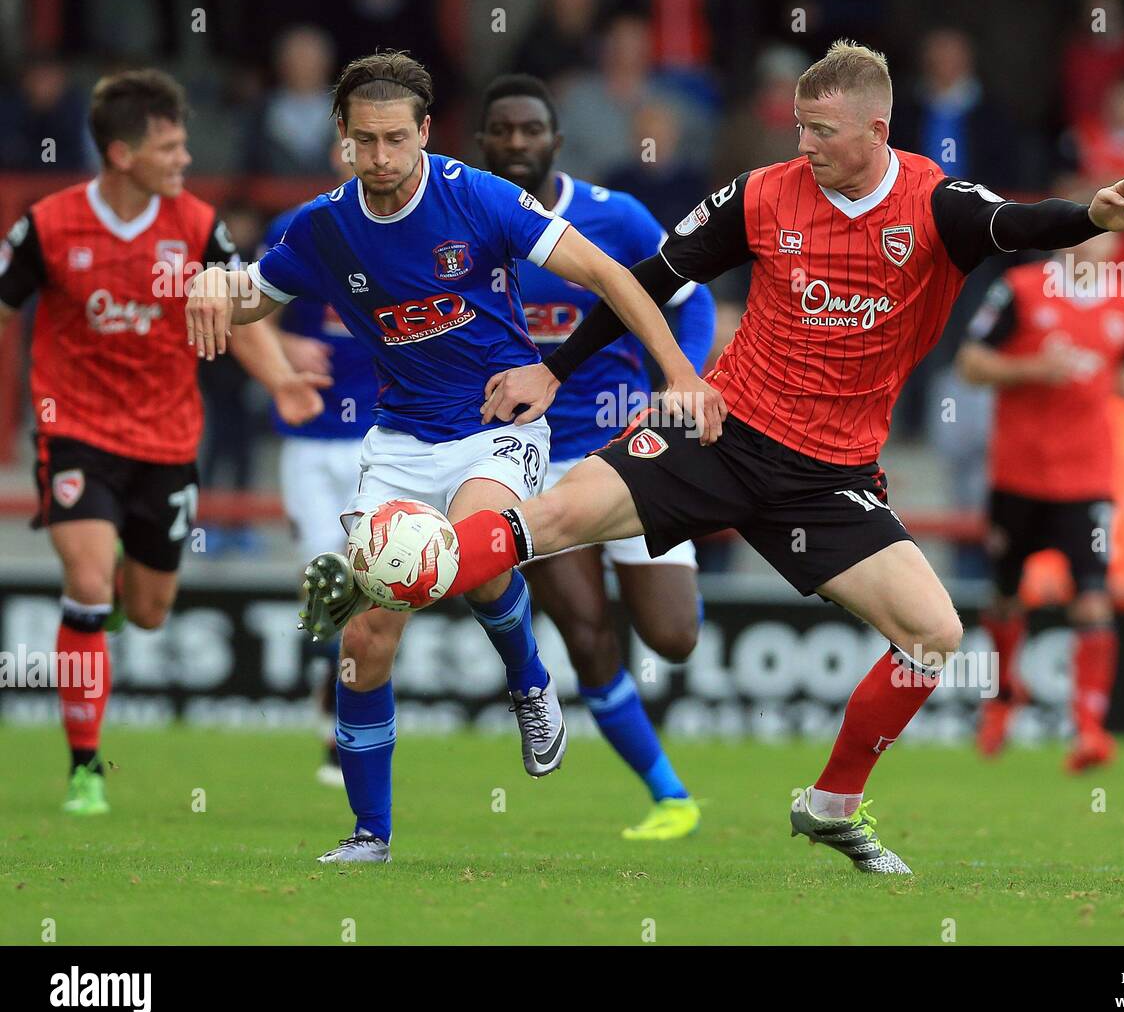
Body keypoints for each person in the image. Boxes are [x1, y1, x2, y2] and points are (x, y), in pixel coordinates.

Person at [408, 40, 1124, 876]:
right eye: (800, 127)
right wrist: (553, 369)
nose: (803, 145)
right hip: (722, 436)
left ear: (877, 130)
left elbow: (1019, 223)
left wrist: (1093, 216)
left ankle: (833, 805)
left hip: (828, 478)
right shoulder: (762, 195)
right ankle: (391, 574)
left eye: (822, 131)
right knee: (551, 517)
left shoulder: (934, 203)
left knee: (935, 634)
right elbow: (653, 276)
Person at [184, 51, 715, 864]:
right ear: (344, 139)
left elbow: (610, 272)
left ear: (426, 132)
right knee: (365, 641)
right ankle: (370, 836)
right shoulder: (324, 228)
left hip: (497, 427)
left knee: (469, 556)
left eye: (397, 139)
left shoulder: (480, 198)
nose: (383, 158)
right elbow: (252, 295)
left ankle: (527, 680)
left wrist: (678, 371)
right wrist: (212, 292)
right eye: (366, 141)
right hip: (400, 443)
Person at [0, 69, 327, 816]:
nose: (184, 159)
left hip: (167, 439)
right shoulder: (49, 226)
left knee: (147, 611)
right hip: (74, 429)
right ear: (122, 154)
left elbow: (240, 313)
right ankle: (86, 768)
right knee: (86, 581)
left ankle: (113, 597)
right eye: (171, 147)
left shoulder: (195, 225)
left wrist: (279, 379)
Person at [476, 73, 716, 841]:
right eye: (502, 132)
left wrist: (683, 379)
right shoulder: (465, 221)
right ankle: (670, 796)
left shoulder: (617, 217)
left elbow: (694, 297)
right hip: (527, 458)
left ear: (558, 140)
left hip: (625, 451)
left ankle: (664, 782)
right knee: (584, 631)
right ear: (483, 142)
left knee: (673, 637)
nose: (517, 144)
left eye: (530, 131)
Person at [955, 232, 1124, 771]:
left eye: (1107, 241)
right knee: (1007, 596)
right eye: (1089, 236)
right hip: (1019, 472)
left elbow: (1120, 365)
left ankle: (1090, 728)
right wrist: (1033, 369)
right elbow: (970, 363)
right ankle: (1002, 700)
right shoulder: (1020, 289)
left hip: (1087, 478)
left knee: (1093, 593)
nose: (1097, 249)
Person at [261, 146, 376, 788]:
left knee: (364, 583)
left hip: (382, 436)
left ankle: (342, 719)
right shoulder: (297, 225)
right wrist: (282, 343)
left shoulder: (419, 230)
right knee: (324, 585)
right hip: (309, 432)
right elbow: (247, 316)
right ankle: (333, 687)